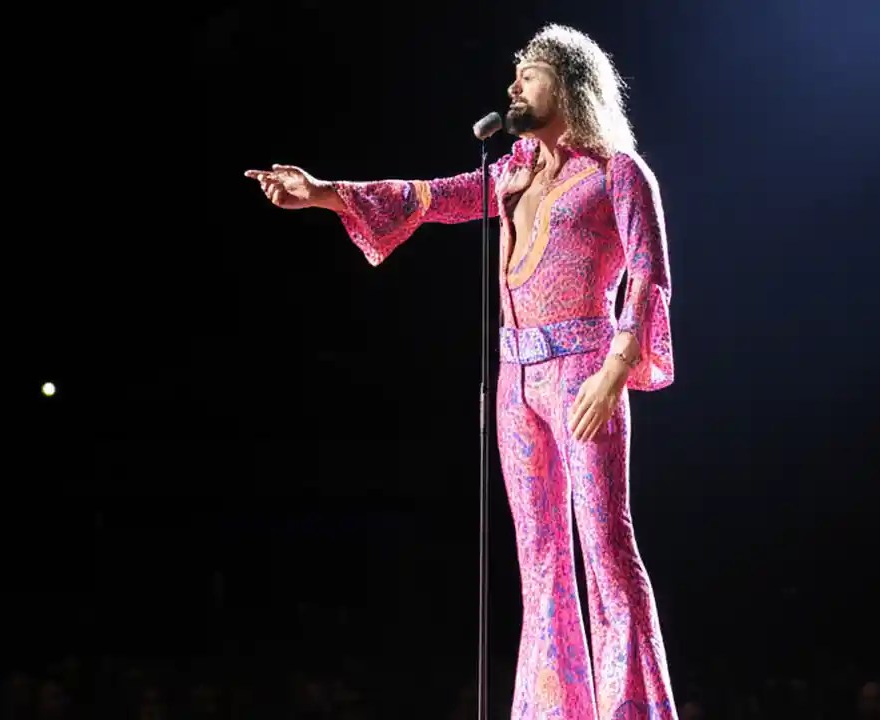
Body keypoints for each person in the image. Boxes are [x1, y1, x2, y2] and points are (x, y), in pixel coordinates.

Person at [246, 22, 677, 720]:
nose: (513, 85)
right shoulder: (508, 173)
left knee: (604, 546)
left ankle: (634, 711)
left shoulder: (617, 172)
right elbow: (430, 197)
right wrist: (325, 193)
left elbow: (651, 274)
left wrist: (616, 369)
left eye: (529, 73)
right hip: (514, 380)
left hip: (584, 370)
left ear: (569, 84)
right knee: (539, 560)